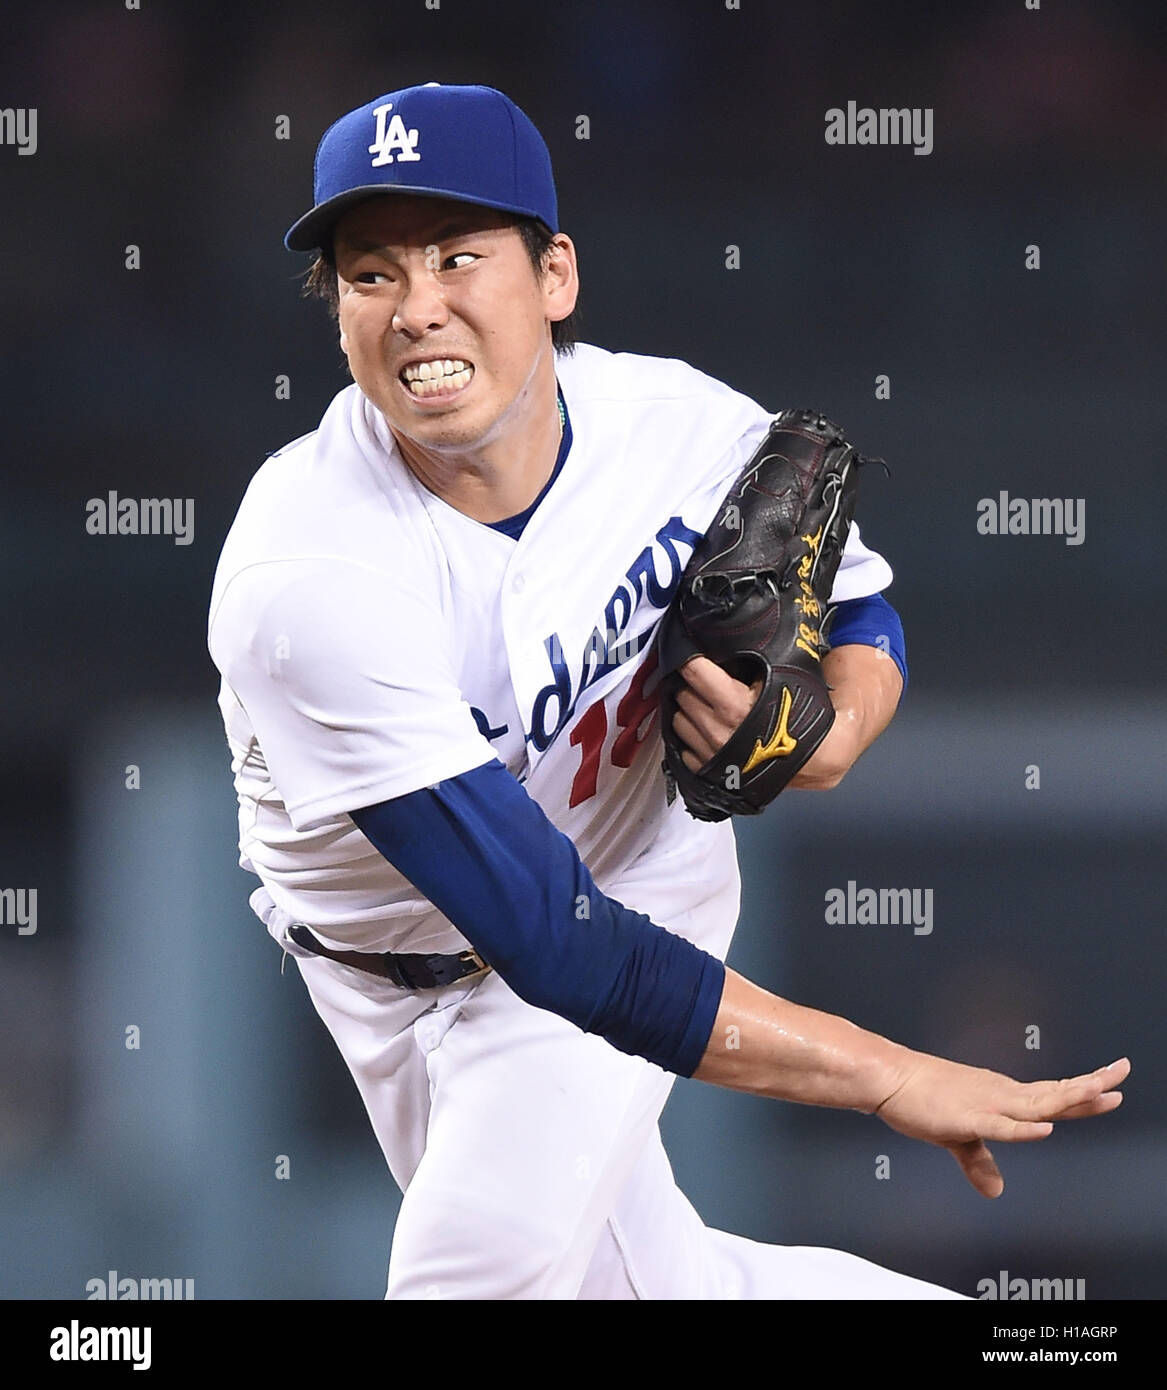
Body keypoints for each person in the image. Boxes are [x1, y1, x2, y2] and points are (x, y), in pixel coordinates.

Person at [207, 82, 1128, 1300]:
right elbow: (548, 939)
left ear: (555, 278)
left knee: (475, 1280)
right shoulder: (309, 575)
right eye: (371, 274)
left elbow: (858, 608)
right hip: (413, 964)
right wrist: (883, 1070)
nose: (417, 306)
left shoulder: (672, 428)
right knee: (661, 1286)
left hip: (638, 879)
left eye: (458, 255)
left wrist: (837, 727)